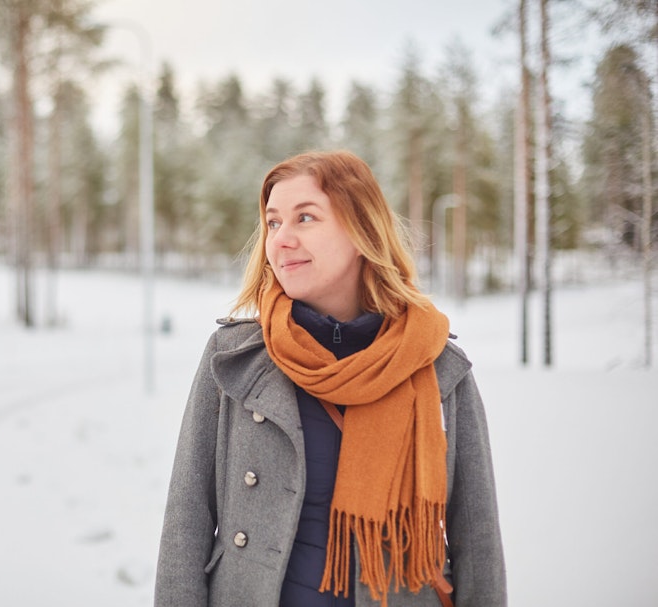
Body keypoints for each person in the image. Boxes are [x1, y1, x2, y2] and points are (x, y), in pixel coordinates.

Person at [154, 150, 506, 607]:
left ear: (362, 230)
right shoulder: (235, 358)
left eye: (306, 218)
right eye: (274, 222)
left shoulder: (435, 366)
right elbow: (185, 525)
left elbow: (477, 543)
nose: (281, 240)